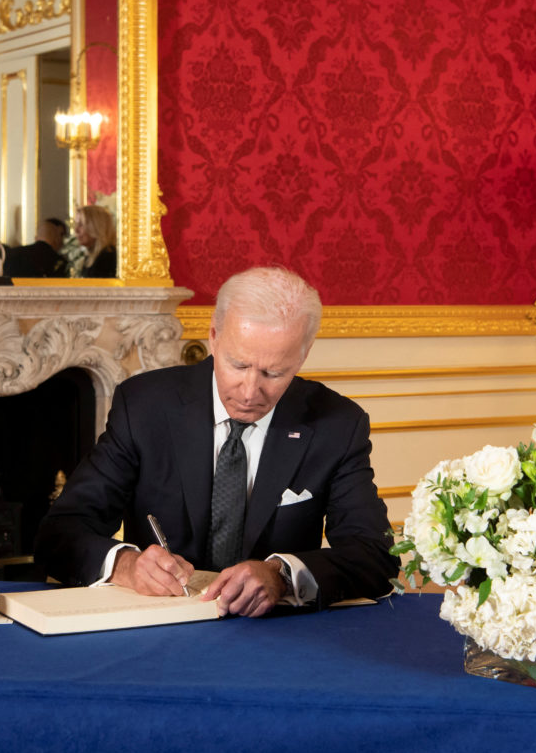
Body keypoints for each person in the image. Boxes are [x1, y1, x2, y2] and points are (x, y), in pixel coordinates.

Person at [35, 266, 396, 617]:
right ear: (213, 336)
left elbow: (375, 554)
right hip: (160, 626)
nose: (251, 391)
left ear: (303, 354)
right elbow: (60, 533)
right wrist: (125, 565)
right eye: (238, 365)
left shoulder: (337, 424)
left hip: (277, 636)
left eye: (274, 372)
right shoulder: (145, 406)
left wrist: (282, 575)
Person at [74, 205, 116, 278]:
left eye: (81, 225)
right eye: (76, 224)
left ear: (96, 227)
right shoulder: (91, 256)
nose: (76, 230)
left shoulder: (107, 257)